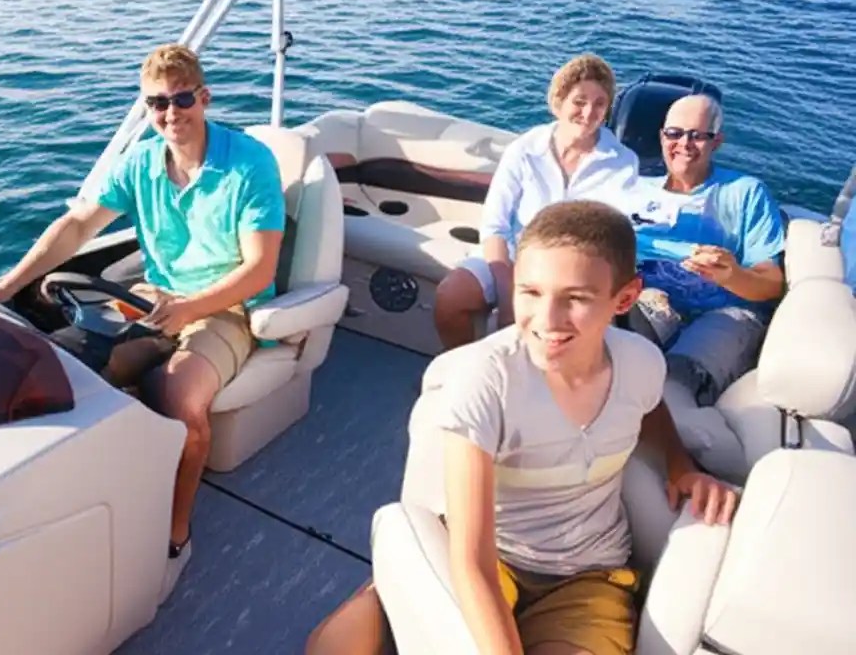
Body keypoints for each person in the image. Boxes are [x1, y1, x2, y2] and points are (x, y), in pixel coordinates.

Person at [307, 200, 738, 655]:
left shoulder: (641, 363)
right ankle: (382, 595)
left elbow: (649, 408)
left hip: (588, 578)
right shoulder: (486, 380)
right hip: (489, 557)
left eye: (575, 298)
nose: (547, 319)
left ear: (625, 299)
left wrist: (679, 463)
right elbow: (471, 558)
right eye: (530, 292)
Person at [0, 43, 285, 590]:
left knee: (183, 406)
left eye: (182, 99)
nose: (170, 114)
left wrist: (189, 307)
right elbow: (76, 227)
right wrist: (10, 282)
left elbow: (258, 270)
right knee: (61, 374)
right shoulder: (139, 162)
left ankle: (175, 536)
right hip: (153, 295)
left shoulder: (249, 163)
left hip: (225, 308)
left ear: (204, 97)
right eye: (156, 104)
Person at [434, 54, 639, 351]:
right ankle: (461, 372)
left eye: (599, 103)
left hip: (576, 271)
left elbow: (613, 236)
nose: (588, 111)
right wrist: (509, 294)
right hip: (515, 257)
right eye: (579, 101)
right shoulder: (525, 149)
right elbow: (495, 226)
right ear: (558, 102)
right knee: (450, 297)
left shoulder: (622, 162)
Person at [622, 94, 787, 408]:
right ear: (661, 136)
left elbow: (771, 284)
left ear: (717, 142)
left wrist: (732, 274)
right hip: (651, 303)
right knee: (608, 358)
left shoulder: (746, 193)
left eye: (698, 135)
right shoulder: (634, 190)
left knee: (674, 390)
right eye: (674, 133)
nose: (684, 143)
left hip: (723, 313)